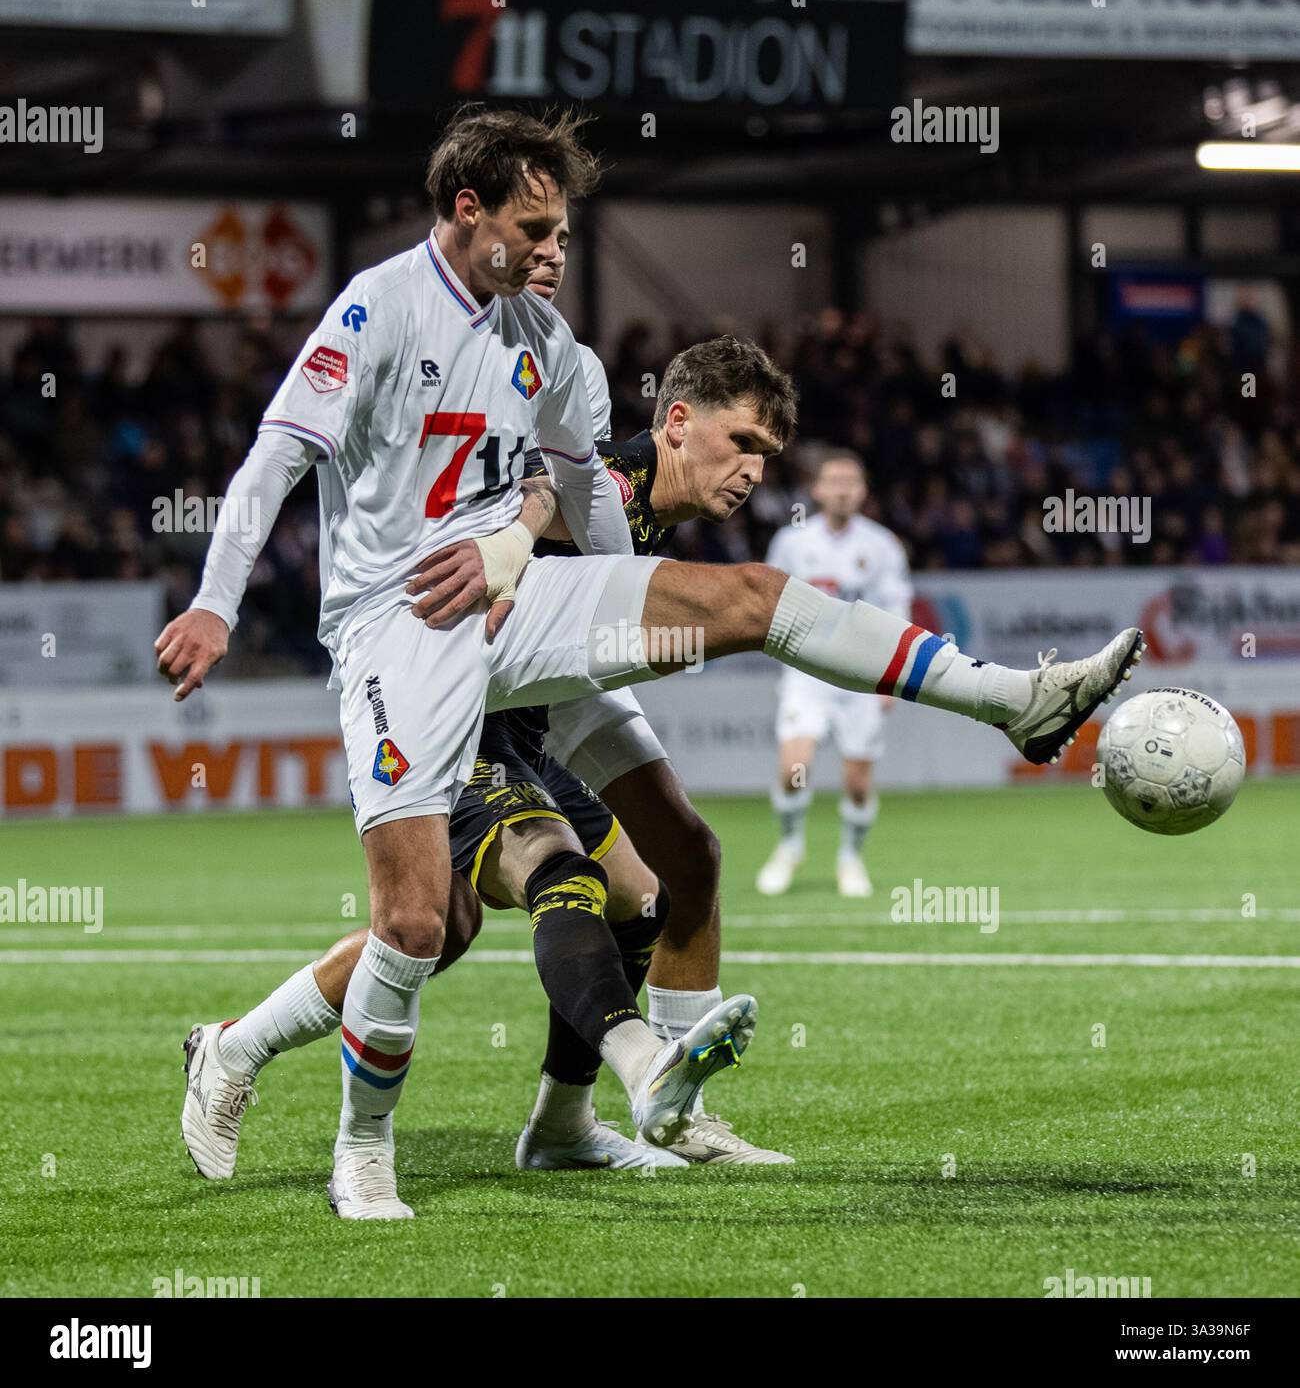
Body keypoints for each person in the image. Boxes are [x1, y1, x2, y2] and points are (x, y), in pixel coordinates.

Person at [159, 107, 1146, 1219]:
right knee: (423, 925)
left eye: (565, 230)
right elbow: (271, 461)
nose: (554, 250)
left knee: (747, 607)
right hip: (398, 624)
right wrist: (212, 603)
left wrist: (620, 616)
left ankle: (1010, 699)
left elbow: (582, 500)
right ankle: (349, 1135)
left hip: (514, 608)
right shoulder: (377, 309)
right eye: (534, 227)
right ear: (466, 208)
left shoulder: (553, 350)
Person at [181, 331, 801, 1191]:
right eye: (743, 445)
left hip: (527, 724)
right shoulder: (606, 483)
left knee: (616, 895)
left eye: (767, 457)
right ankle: (643, 1080)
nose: (754, 473)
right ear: (677, 423)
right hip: (454, 713)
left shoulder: (638, 504)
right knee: (552, 882)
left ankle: (561, 1123)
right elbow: (522, 516)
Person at [758, 451, 911, 899]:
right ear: (817, 489)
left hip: (862, 675)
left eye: (851, 481)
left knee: (857, 782)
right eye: (833, 480)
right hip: (807, 674)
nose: (842, 489)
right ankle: (789, 846)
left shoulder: (882, 545)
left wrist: (892, 678)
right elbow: (769, 599)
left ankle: (850, 858)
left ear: (863, 491)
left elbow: (897, 612)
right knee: (794, 769)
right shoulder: (791, 541)